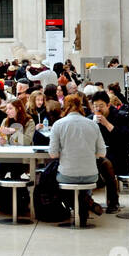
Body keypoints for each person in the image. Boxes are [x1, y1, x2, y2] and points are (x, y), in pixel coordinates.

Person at [47, 93, 107, 227]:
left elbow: (53, 154)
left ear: (65, 107)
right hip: (91, 175)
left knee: (51, 180)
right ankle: (86, 203)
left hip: (67, 174)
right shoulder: (93, 125)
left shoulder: (58, 125)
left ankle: (80, 205)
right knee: (82, 183)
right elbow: (102, 153)